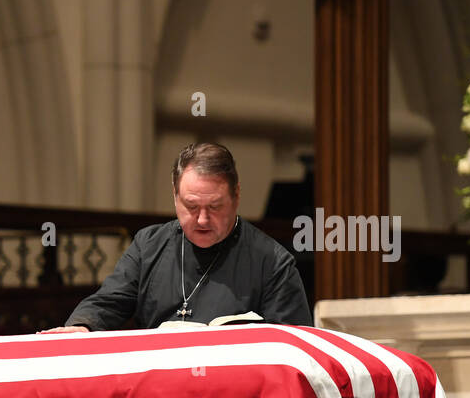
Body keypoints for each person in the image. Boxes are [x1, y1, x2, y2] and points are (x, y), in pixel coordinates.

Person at [42, 143, 312, 333]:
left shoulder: (272, 262)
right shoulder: (149, 245)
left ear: (236, 195)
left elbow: (294, 344)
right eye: (191, 207)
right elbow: (109, 301)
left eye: (215, 207)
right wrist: (82, 326)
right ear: (175, 195)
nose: (203, 219)